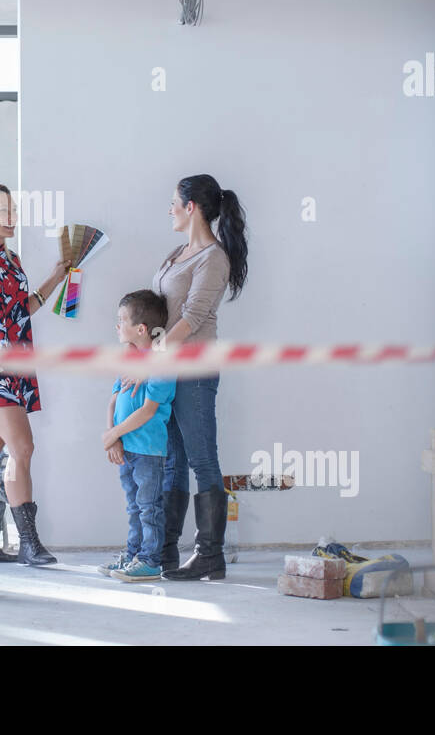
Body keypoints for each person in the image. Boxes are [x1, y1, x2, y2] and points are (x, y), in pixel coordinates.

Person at [0, 183, 70, 566]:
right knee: (22, 448)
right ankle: (29, 543)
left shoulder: (12, 260)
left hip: (15, 366)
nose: (11, 218)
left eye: (13, 210)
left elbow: (21, 310)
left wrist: (56, 278)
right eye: (0, 211)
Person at [149, 174, 248, 581]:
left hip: (193, 369)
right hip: (169, 367)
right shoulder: (178, 253)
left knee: (203, 458)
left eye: (174, 202)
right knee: (175, 460)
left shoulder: (214, 258)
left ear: (192, 207)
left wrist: (156, 353)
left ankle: (210, 555)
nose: (169, 208)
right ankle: (167, 550)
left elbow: (192, 317)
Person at [98, 290, 177, 582]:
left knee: (148, 508)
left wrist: (113, 434)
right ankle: (133, 554)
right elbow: (113, 399)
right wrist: (113, 438)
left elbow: (147, 411)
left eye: (122, 320)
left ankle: (149, 560)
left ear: (141, 329)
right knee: (133, 508)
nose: (117, 326)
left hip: (147, 450)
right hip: (125, 446)